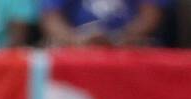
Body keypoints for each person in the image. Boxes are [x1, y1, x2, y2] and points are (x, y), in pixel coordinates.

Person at [39, 0, 168, 45]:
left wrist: (119, 38)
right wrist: (76, 39)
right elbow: (51, 17)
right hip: (76, 47)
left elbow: (151, 14)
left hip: (130, 46)